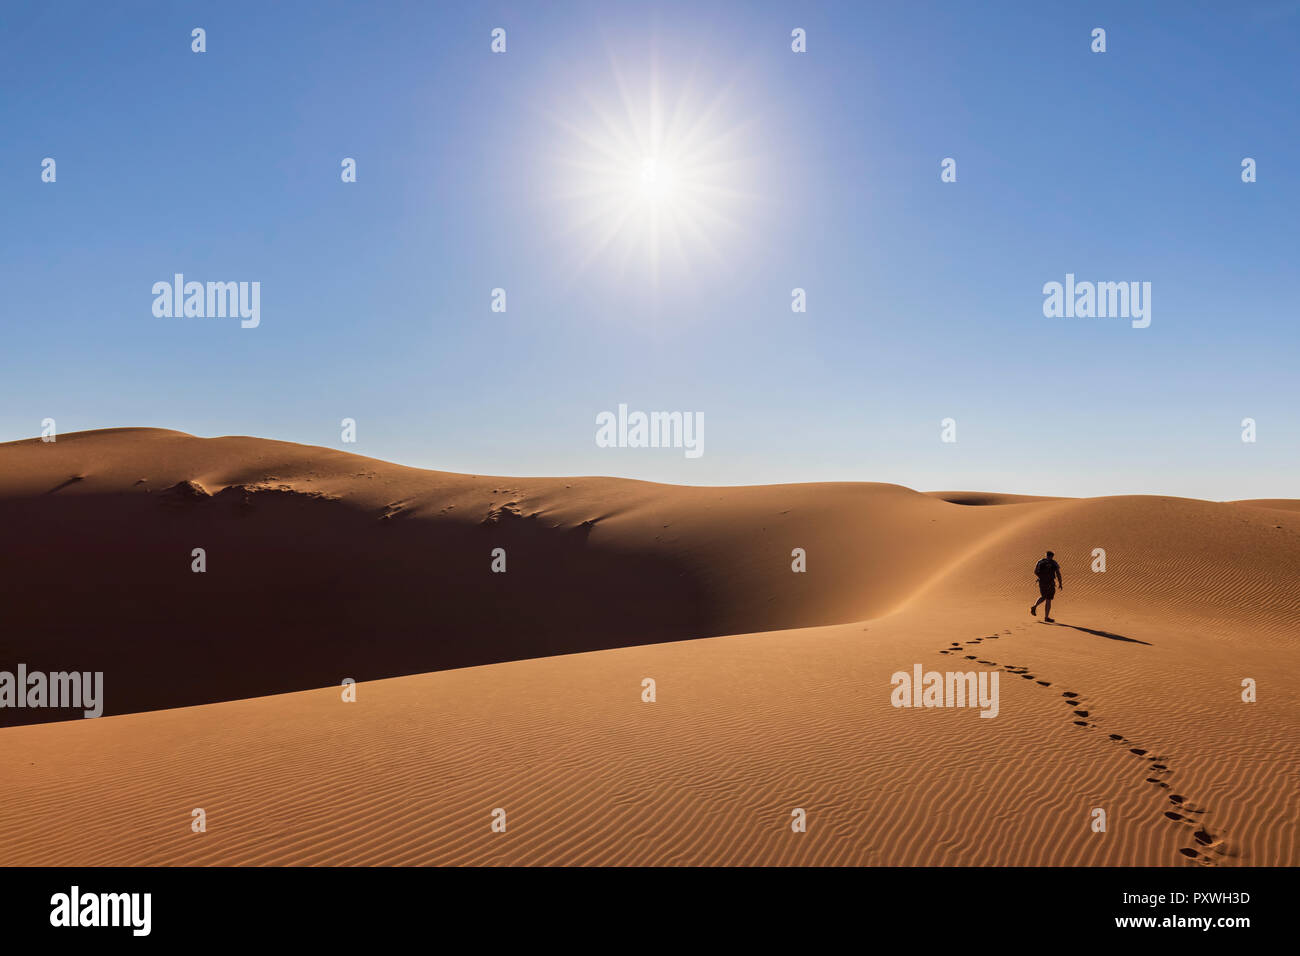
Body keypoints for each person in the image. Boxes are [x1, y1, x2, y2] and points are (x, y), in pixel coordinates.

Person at [1030, 550, 1063, 622]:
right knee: (1048, 599)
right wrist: (1060, 583)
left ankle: (1035, 607)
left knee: (1044, 597)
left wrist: (1041, 577)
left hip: (1042, 582)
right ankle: (1046, 617)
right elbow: (1058, 574)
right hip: (1050, 583)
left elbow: (1035, 572)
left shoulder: (1040, 561)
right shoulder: (1054, 563)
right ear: (1052, 556)